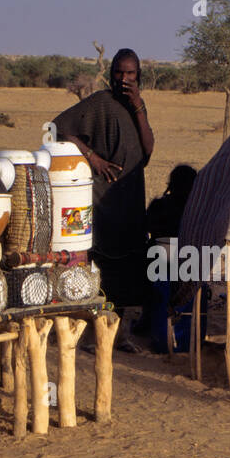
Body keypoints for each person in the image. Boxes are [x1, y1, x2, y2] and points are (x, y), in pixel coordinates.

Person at [53, 48, 155, 351]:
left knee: (128, 261)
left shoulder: (137, 106)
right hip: (103, 196)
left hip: (131, 193)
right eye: (119, 73)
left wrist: (139, 106)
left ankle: (118, 333)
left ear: (139, 76)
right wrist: (92, 157)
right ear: (111, 73)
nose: (124, 79)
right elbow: (58, 128)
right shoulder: (101, 103)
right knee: (101, 260)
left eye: (131, 74)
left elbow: (148, 151)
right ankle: (89, 333)